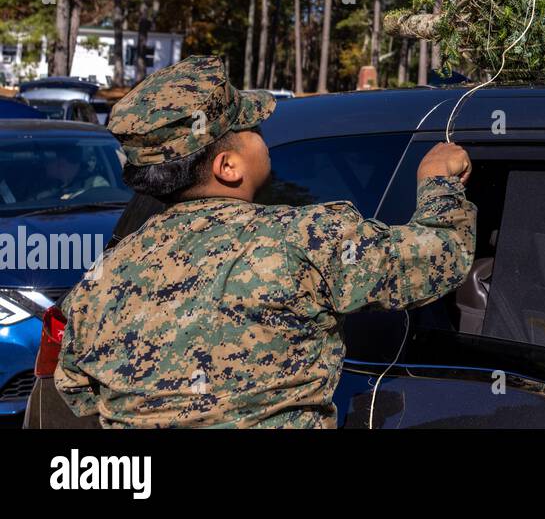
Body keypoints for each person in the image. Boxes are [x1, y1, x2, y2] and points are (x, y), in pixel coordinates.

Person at [54, 54, 476, 427]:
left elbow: (76, 390)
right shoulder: (304, 240)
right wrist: (439, 182)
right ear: (229, 165)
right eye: (251, 127)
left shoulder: (101, 277)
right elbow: (443, 254)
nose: (263, 135)